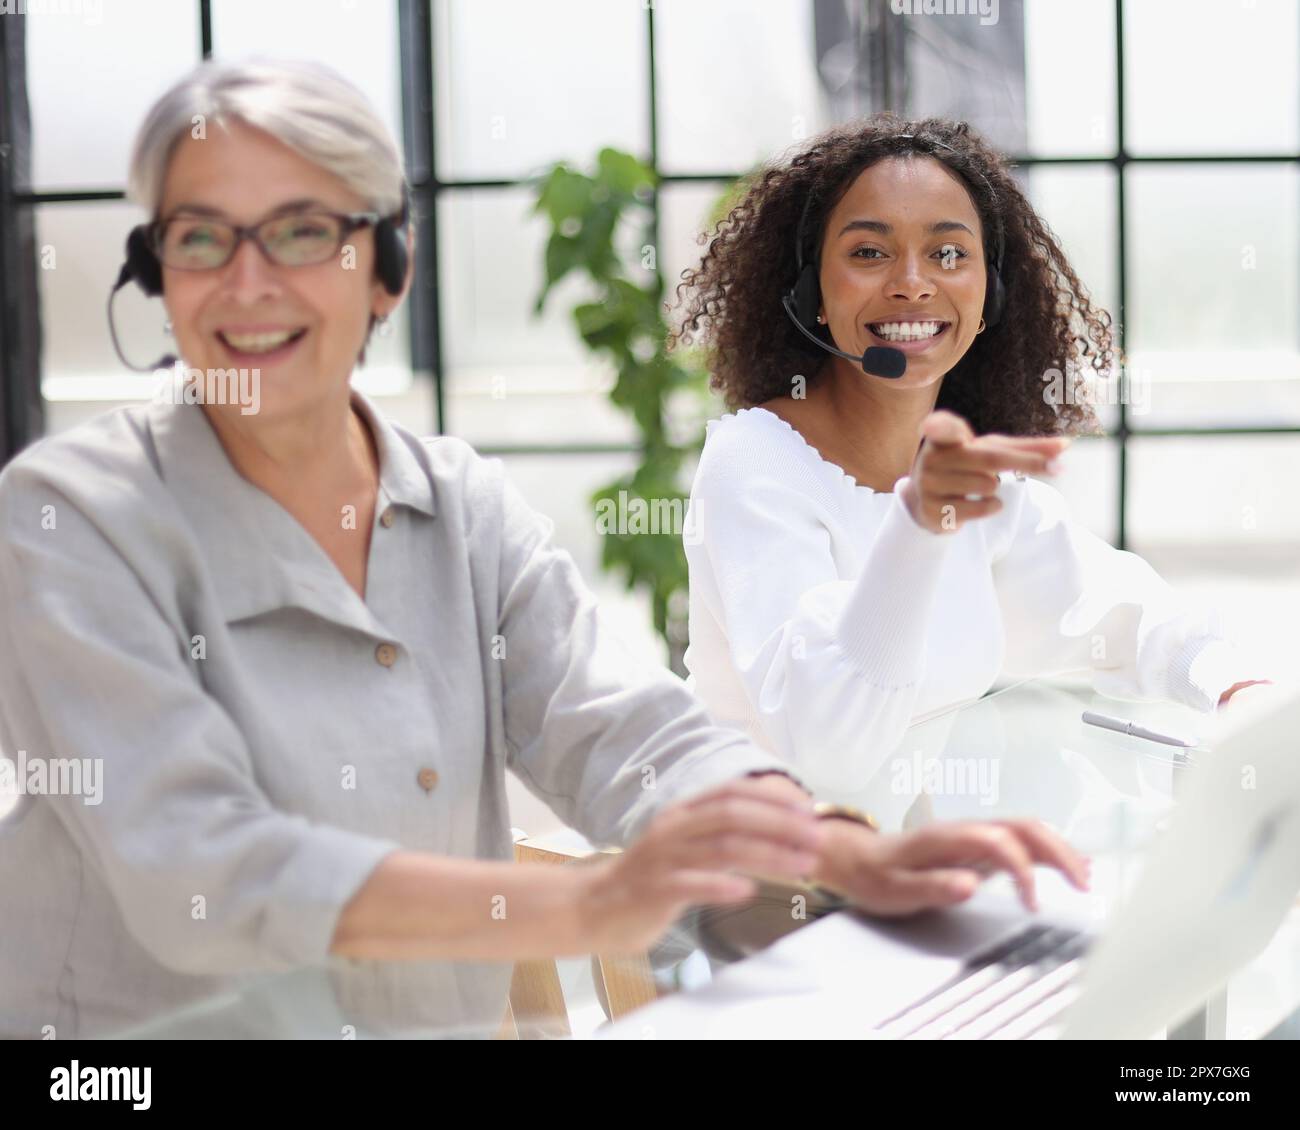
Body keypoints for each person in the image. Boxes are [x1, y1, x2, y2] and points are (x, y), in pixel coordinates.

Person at [0, 65, 1088, 1039]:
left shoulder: (460, 506)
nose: (248, 283)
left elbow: (627, 730)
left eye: (298, 232)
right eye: (201, 238)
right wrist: (580, 906)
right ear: (157, 273)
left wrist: (837, 852)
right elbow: (195, 864)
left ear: (386, 265)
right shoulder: (70, 515)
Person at [672, 115, 1268, 794]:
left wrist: (1242, 689)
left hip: (902, 870)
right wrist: (920, 528)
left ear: (991, 297)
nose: (913, 283)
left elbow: (1122, 614)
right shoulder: (756, 464)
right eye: (869, 252)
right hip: (755, 879)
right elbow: (828, 748)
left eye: (950, 254)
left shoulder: (974, 483)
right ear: (811, 292)